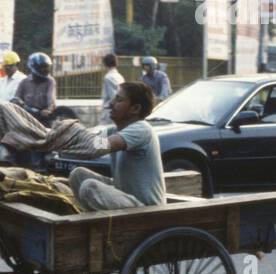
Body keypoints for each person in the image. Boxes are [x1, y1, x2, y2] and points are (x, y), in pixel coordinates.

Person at [68, 82, 166, 210]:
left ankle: (92, 225)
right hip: (125, 195)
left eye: (119, 100)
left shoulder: (142, 129)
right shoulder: (113, 130)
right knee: (78, 174)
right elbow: (89, 140)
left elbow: (97, 146)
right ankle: (87, 218)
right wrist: (56, 137)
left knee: (89, 187)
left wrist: (71, 135)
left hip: (146, 208)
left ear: (135, 109)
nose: (111, 104)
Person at [17, 52, 57, 123]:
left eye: (46, 67)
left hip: (43, 117)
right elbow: (16, 99)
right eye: (43, 67)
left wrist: (49, 110)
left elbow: (51, 100)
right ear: (34, 67)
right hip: (26, 117)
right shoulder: (24, 82)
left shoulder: (50, 81)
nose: (46, 69)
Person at [100, 52, 124, 124]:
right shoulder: (120, 76)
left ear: (105, 64)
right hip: (119, 110)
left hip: (109, 111)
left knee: (103, 132)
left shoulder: (108, 77)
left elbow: (113, 96)